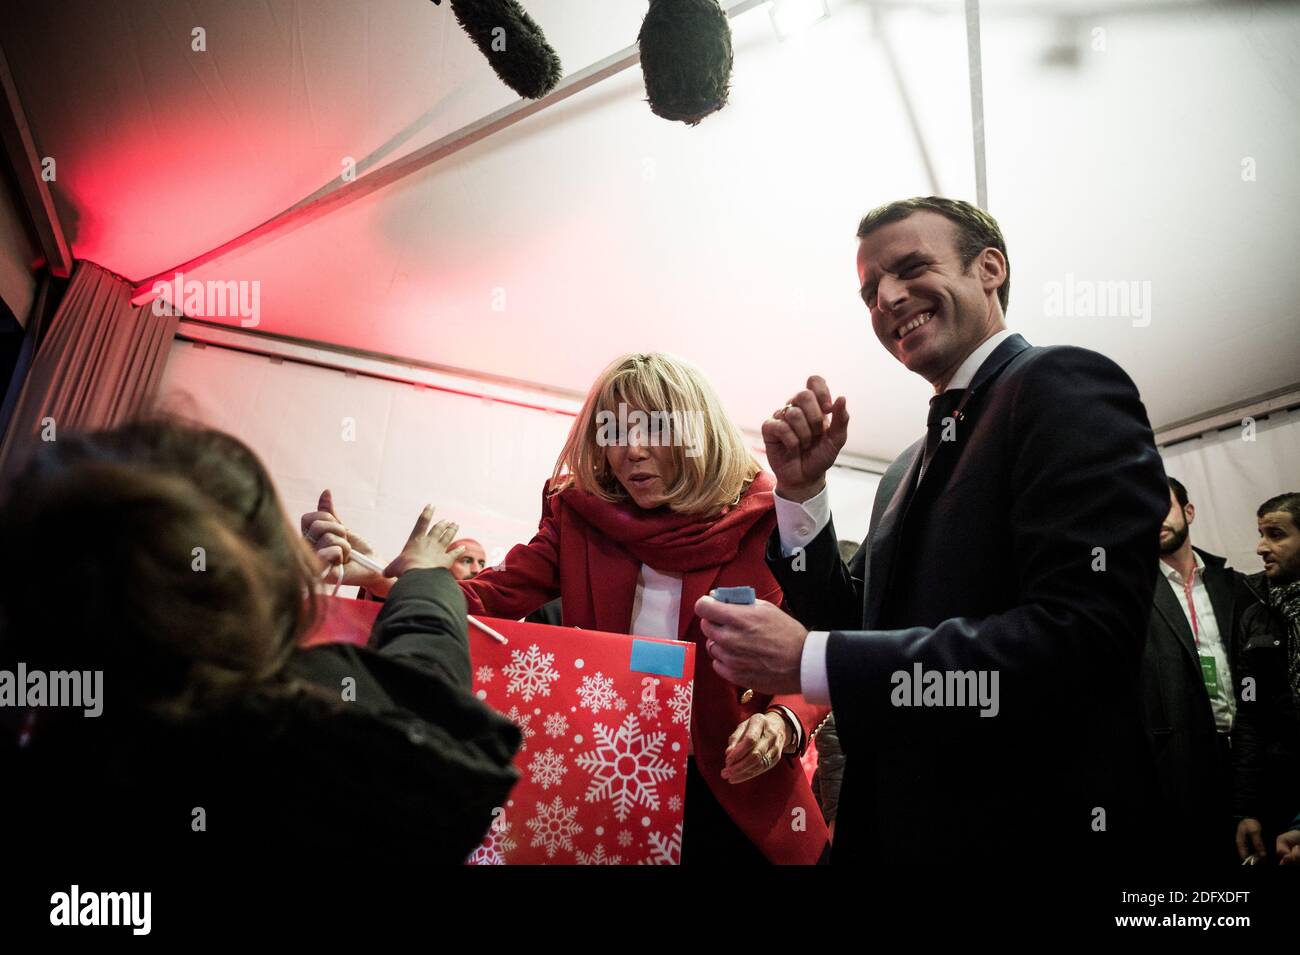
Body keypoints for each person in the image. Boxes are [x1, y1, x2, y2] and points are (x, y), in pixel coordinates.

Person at [695, 196, 1167, 865]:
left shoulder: (1062, 385)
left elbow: (1082, 639)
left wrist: (813, 660)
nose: (886, 297)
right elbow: (858, 623)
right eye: (869, 290)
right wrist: (801, 495)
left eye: (910, 267)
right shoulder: (904, 468)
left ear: (990, 268)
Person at [305, 352, 831, 863]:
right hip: (609, 785)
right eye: (615, 432)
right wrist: (378, 577)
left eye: (652, 429)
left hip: (738, 795)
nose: (632, 451)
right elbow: (486, 602)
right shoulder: (578, 518)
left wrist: (784, 719)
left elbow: (819, 635)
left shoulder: (768, 519)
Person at [0, 419, 520, 870]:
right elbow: (428, 706)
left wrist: (270, 584)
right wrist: (425, 579)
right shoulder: (292, 742)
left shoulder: (63, 752)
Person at [1142, 477, 1242, 863]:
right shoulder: (1131, 595)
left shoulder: (1232, 584)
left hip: (1250, 757)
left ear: (1189, 511)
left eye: (1162, 505)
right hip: (1181, 768)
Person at [1232, 492, 1300, 863]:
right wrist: (1246, 809)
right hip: (1280, 790)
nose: (1261, 547)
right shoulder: (1255, 613)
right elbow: (1250, 716)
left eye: (1276, 534)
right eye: (1260, 534)